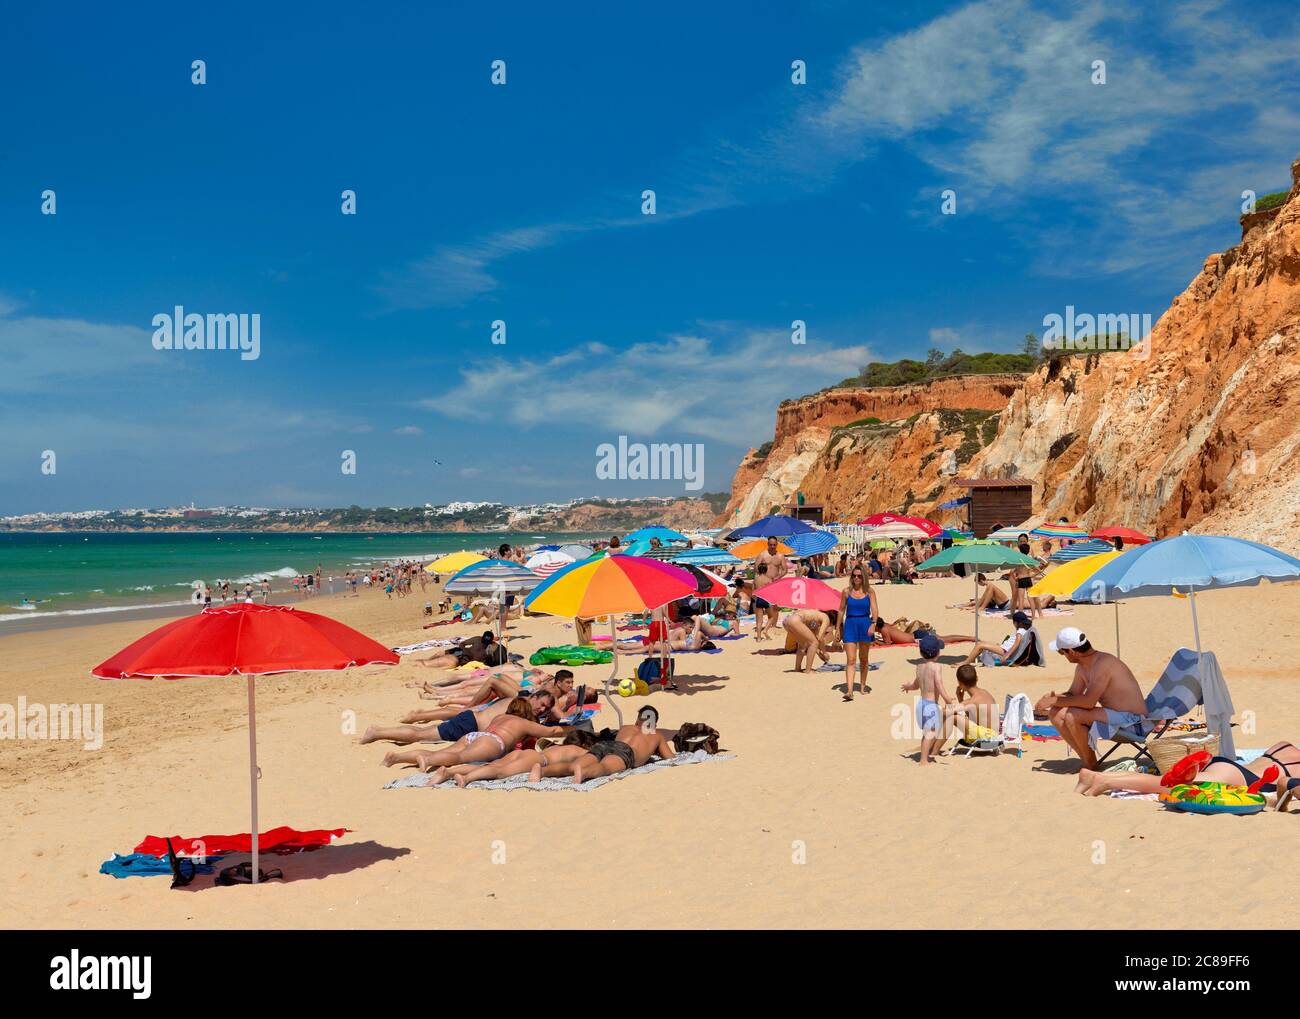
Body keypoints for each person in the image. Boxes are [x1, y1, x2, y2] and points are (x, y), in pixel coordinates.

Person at [1074, 742, 1300, 809]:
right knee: (1164, 786)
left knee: (1169, 783)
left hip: (1226, 764)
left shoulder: (1284, 746)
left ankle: (1091, 775)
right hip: (1237, 778)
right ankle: (1103, 780)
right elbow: (1284, 783)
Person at [1042, 627, 1147, 770]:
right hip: (1116, 715)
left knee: (1073, 715)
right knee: (1056, 713)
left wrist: (1055, 700)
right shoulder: (1082, 667)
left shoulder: (1104, 664)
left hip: (1135, 721)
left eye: (1061, 652)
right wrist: (1052, 699)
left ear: (1072, 651)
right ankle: (1087, 759)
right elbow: (1073, 694)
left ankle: (1090, 765)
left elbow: (1088, 702)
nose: (1062, 655)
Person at [380, 696, 566, 773]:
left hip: (475, 735)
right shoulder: (523, 722)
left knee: (449, 750)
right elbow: (552, 731)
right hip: (492, 741)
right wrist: (569, 729)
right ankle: (427, 761)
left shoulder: (501, 716)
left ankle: (398, 757)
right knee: (459, 757)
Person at [365, 689, 558, 748]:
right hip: (469, 724)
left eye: (546, 708)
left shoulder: (522, 704)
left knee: (423, 733)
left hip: (469, 721)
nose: (541, 709)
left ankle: (379, 731)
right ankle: (377, 732)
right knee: (419, 735)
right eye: (540, 704)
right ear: (533, 697)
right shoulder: (523, 707)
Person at [569, 705, 677, 784]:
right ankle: (584, 772)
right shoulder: (657, 735)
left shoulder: (626, 727)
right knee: (605, 767)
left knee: (574, 765)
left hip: (608, 744)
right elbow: (670, 758)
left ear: (637, 720)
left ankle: (562, 768)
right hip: (624, 752)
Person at [900, 633, 952, 764]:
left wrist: (908, 687)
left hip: (921, 705)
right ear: (937, 652)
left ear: (921, 653)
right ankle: (924, 759)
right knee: (931, 733)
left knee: (927, 733)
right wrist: (948, 699)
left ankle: (924, 756)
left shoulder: (919, 667)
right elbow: (939, 685)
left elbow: (916, 685)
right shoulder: (936, 667)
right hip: (931, 706)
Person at [838, 565, 877, 701]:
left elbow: (875, 609)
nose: (856, 578)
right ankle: (849, 691)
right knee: (851, 659)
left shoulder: (870, 592)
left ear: (863, 577)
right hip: (850, 624)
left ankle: (862, 686)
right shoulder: (846, 592)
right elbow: (841, 610)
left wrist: (874, 624)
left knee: (864, 658)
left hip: (865, 624)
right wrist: (838, 628)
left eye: (859, 576)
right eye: (854, 575)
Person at [957, 610, 1039, 667]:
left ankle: (966, 662)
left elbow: (1016, 643)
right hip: (1004, 648)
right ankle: (970, 659)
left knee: (979, 645)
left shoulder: (1020, 631)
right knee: (983, 642)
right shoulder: (1025, 630)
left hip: (1005, 651)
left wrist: (1007, 655)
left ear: (1016, 622)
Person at [944, 663, 1000, 746]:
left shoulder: (972, 701)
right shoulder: (985, 693)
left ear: (960, 684)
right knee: (952, 715)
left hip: (988, 740)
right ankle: (933, 749)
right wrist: (960, 699)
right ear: (977, 678)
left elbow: (945, 712)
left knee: (951, 716)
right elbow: (974, 719)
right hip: (995, 737)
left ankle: (934, 751)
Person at [414, 630, 507, 670]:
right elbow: (462, 643)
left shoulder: (489, 648)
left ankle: (428, 663)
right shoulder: (477, 639)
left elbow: (492, 660)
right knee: (440, 653)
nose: (484, 643)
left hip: (466, 659)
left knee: (450, 660)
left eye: (487, 642)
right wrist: (465, 651)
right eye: (484, 641)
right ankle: (428, 659)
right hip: (462, 651)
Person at [783, 607, 833, 674]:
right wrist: (824, 652)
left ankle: (797, 668)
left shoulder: (815, 617)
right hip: (795, 619)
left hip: (787, 620)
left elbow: (814, 638)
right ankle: (808, 670)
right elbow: (820, 638)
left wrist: (819, 652)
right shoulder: (826, 618)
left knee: (803, 645)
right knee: (814, 643)